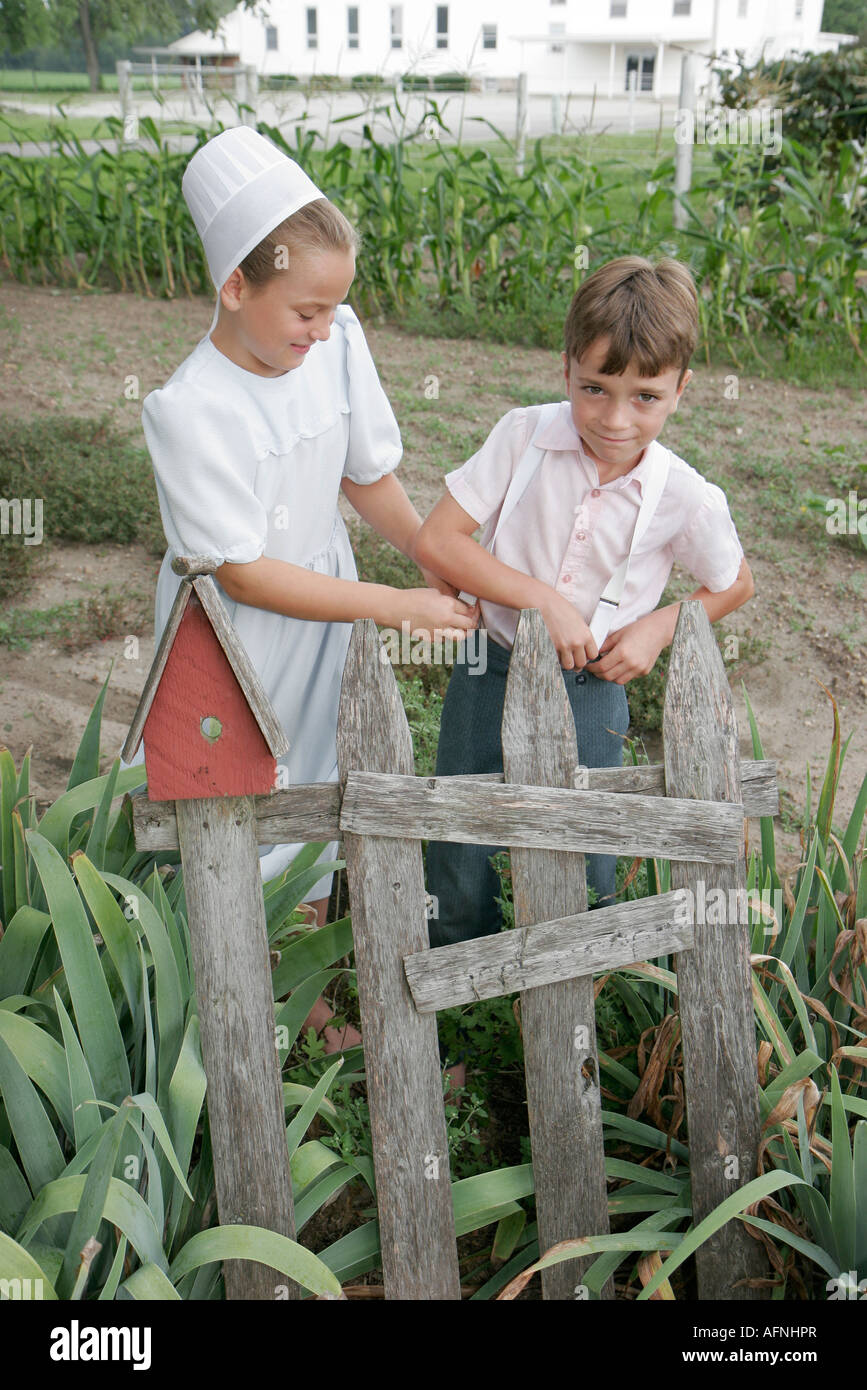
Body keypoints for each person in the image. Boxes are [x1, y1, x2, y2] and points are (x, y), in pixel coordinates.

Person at [121, 126, 476, 1052]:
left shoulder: (335, 341)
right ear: (235, 287)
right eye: (305, 313)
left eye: (333, 310)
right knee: (236, 798)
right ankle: (236, 990)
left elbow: (365, 477)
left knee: (324, 783)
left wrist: (427, 553)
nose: (322, 332)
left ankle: (305, 982)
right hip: (238, 635)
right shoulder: (189, 408)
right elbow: (242, 572)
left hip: (329, 603)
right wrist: (399, 607)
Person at [414, 255, 754, 1027]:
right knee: (463, 835)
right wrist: (537, 598)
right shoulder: (522, 438)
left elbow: (734, 582)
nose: (613, 419)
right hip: (490, 665)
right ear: (564, 365)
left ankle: (573, 1006)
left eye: (644, 397)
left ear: (680, 390)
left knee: (587, 845)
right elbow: (439, 540)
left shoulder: (683, 495)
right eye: (592, 387)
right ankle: (456, 1012)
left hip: (594, 686)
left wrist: (659, 625)